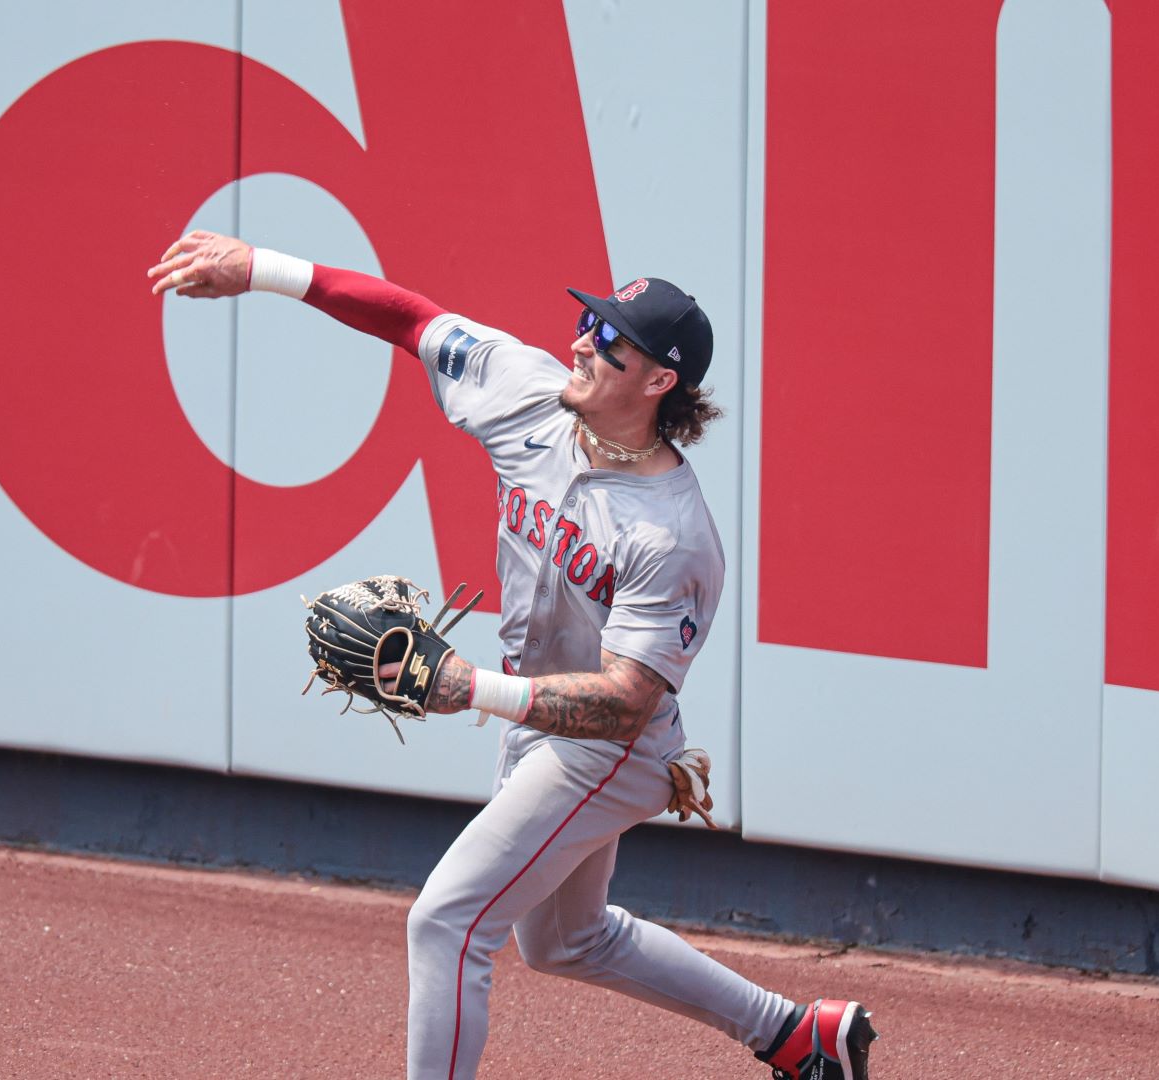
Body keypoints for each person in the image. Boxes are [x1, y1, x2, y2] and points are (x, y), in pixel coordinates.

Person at [148, 231, 876, 1080]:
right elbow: (410, 319)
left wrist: (470, 689)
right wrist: (264, 272)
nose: (581, 342)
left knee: (446, 923)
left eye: (610, 341)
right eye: (589, 322)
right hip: (540, 718)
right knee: (568, 939)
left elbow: (625, 703)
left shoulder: (671, 534)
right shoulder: (527, 390)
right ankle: (797, 1032)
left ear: (659, 381)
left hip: (610, 749)